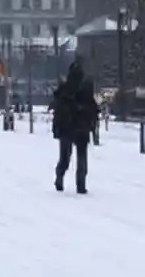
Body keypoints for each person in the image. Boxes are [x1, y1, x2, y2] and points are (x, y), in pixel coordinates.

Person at [52, 60, 98, 194]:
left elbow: (58, 110)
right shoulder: (86, 89)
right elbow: (93, 109)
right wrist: (92, 125)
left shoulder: (65, 89)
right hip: (82, 127)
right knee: (82, 158)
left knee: (65, 157)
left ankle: (60, 177)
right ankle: (81, 184)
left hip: (67, 128)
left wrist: (57, 128)